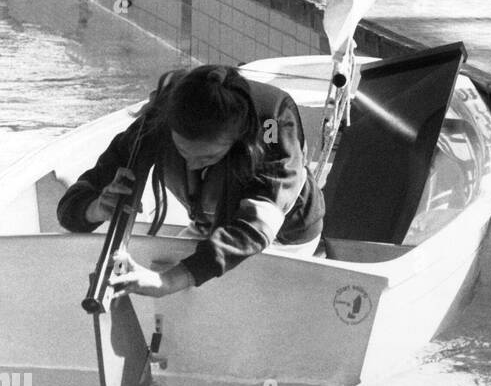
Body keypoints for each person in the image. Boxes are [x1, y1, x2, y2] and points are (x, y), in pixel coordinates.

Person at [56, 65, 324, 295]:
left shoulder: (271, 125)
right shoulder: (161, 117)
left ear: (238, 136)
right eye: (183, 153)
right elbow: (75, 203)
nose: (192, 165)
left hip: (285, 237)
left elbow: (261, 221)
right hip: (208, 225)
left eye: (208, 157)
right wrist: (94, 209)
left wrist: (168, 281)